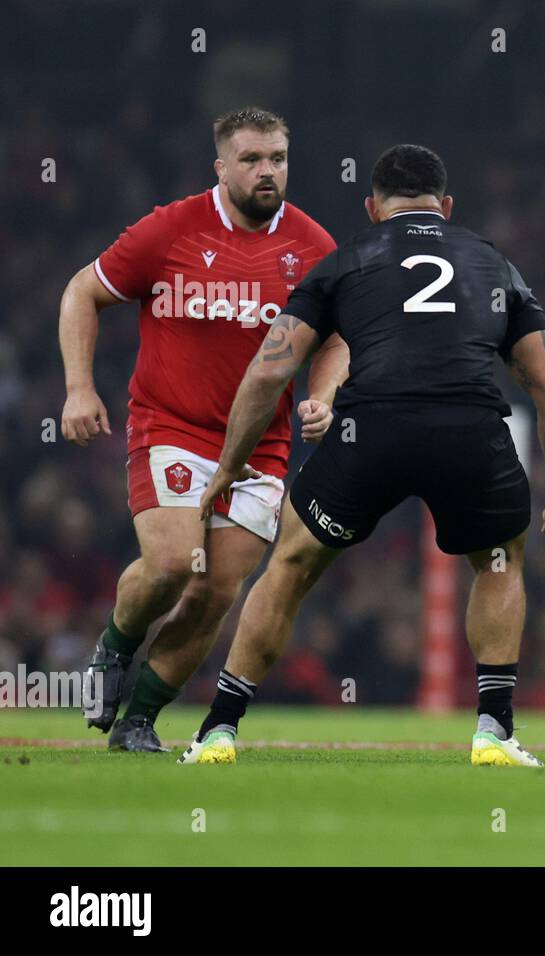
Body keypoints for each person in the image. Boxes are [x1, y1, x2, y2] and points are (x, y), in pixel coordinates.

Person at [180, 144, 545, 767]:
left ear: (372, 209)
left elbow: (267, 375)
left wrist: (230, 468)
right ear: (446, 208)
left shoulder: (344, 262)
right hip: (470, 430)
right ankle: (493, 733)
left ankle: (219, 730)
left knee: (290, 564)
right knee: (498, 563)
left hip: (368, 431)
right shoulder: (493, 263)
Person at [61, 107, 345, 752]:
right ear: (221, 166)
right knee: (169, 565)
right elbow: (83, 291)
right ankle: (114, 645)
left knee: (214, 593)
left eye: (276, 157)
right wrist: (80, 387)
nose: (266, 170)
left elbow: (335, 338)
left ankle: (139, 721)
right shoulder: (170, 229)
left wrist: (324, 395)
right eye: (251, 159)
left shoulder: (313, 247)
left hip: (260, 445)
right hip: (173, 425)